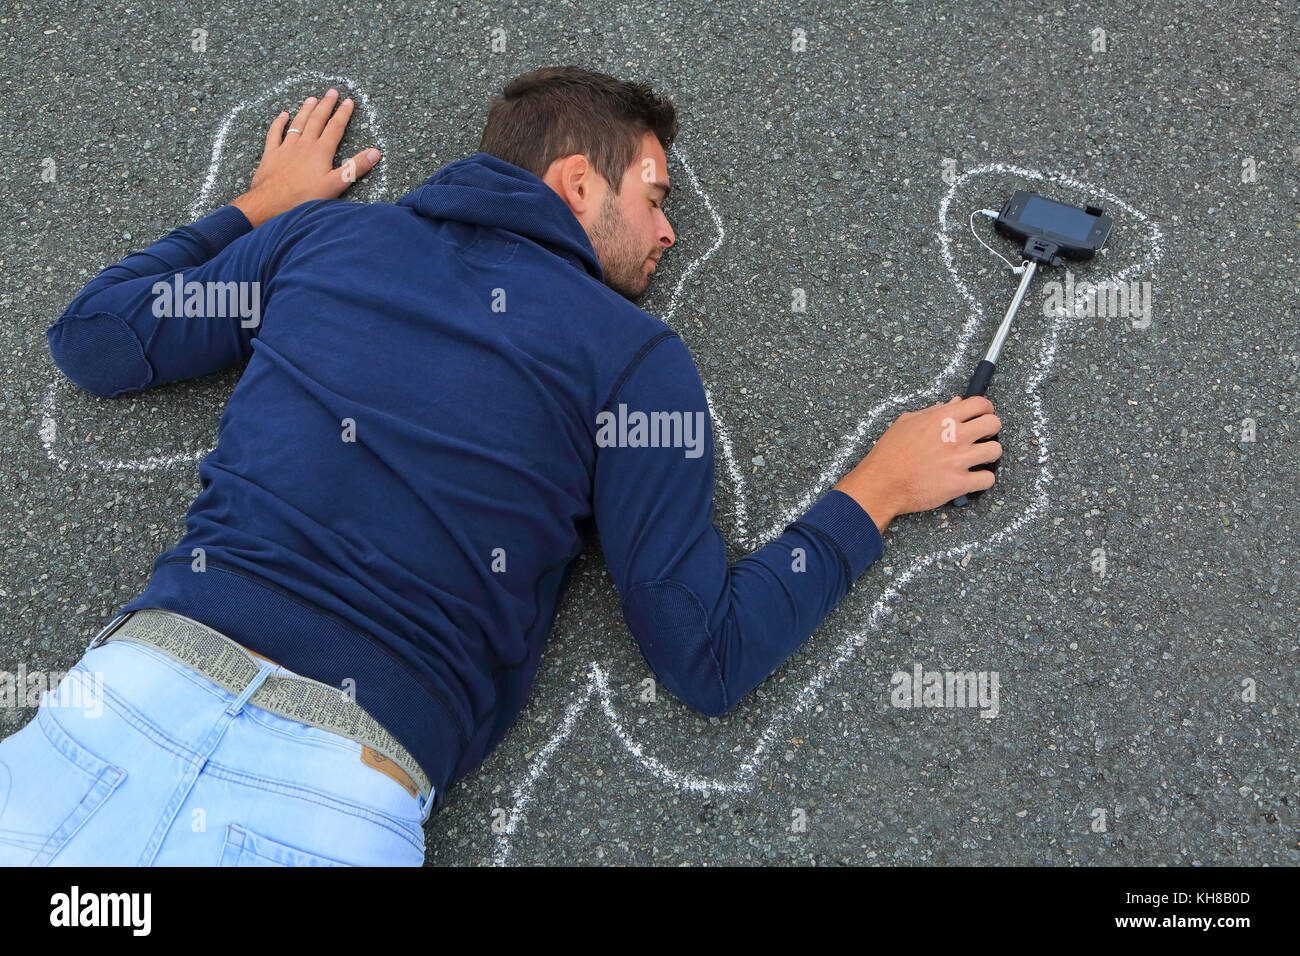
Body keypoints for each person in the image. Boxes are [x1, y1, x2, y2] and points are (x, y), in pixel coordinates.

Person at [0, 66, 1000, 866]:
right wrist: (877, 491)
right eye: (654, 195)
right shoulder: (634, 359)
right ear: (573, 181)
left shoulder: (322, 237)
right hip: (334, 793)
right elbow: (706, 655)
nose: (670, 231)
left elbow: (94, 342)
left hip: (123, 707)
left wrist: (259, 207)